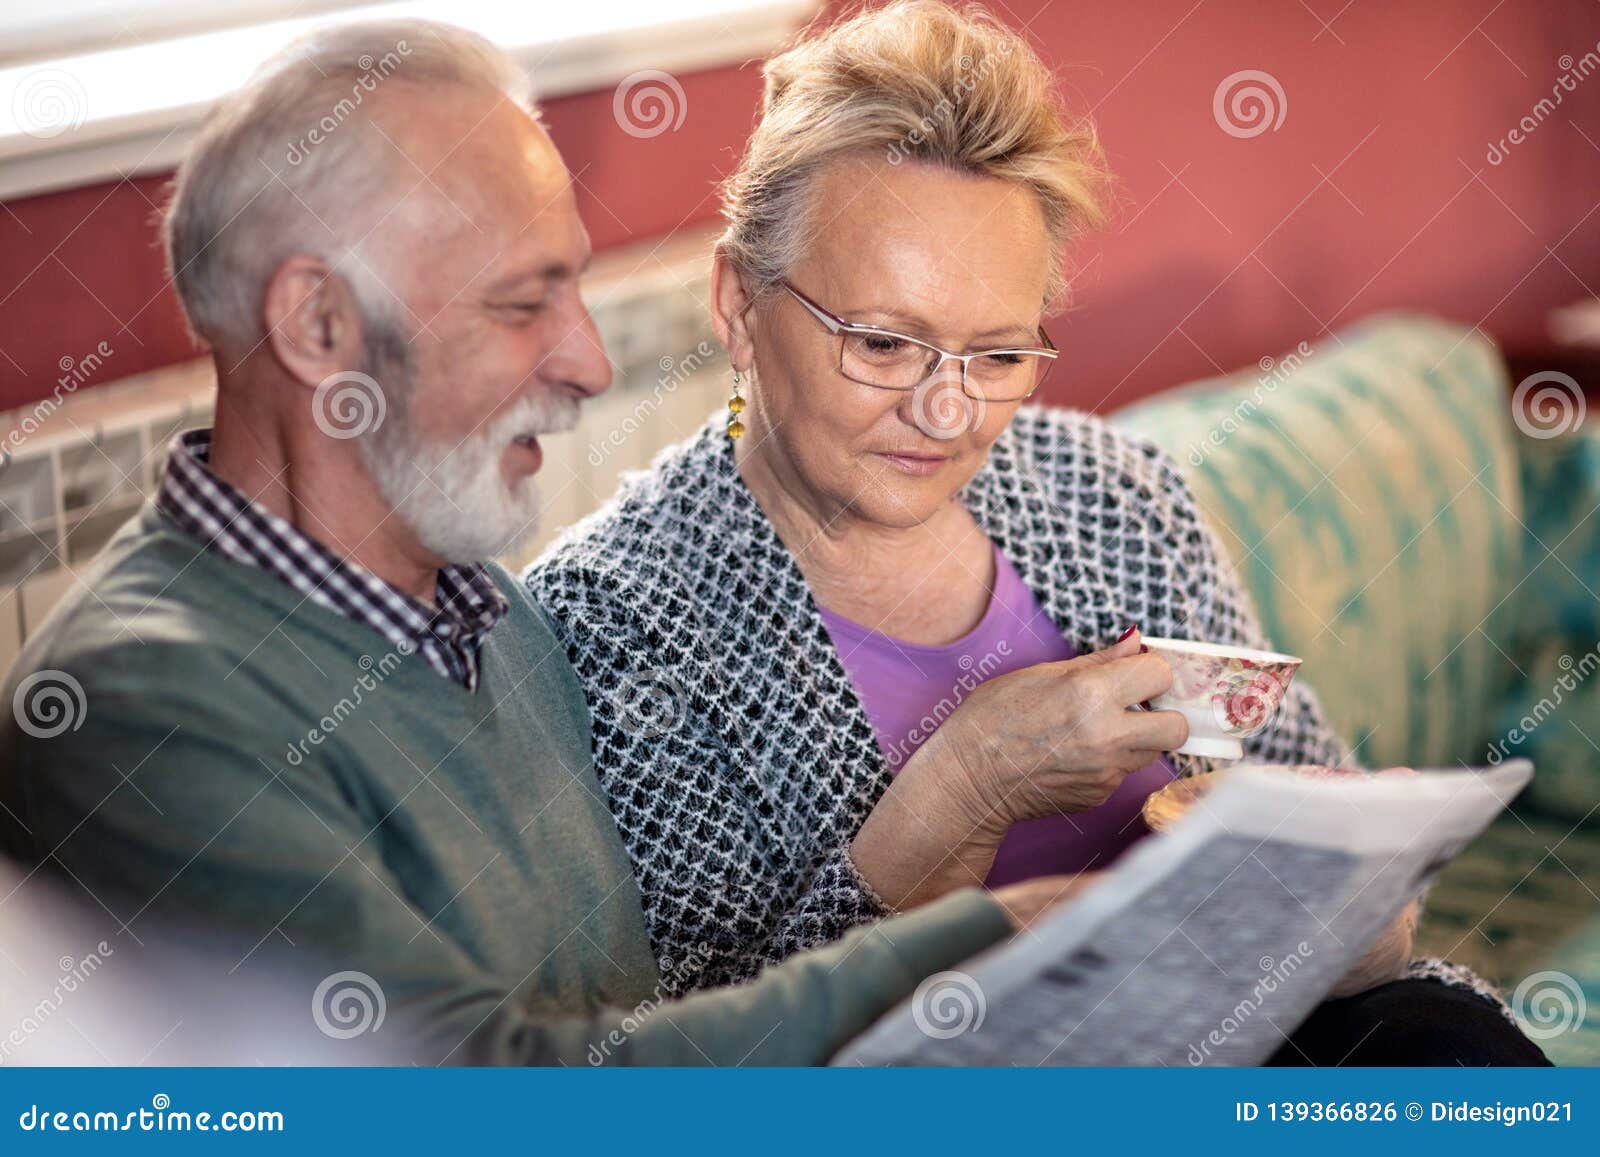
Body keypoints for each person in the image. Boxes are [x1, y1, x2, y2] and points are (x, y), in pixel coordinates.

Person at [0, 19, 1078, 1067]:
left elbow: (644, 1017)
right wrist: (991, 940)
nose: (590, 361)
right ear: (318, 326)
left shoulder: (495, 619)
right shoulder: (137, 710)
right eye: (524, 304)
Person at [528, 1, 1547, 1065]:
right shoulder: (614, 624)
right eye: (882, 343)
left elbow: (1320, 817)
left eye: (999, 354)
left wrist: (1356, 922)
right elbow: (720, 1066)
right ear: (737, 302)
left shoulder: (1112, 490)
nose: (947, 412)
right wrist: (968, 782)